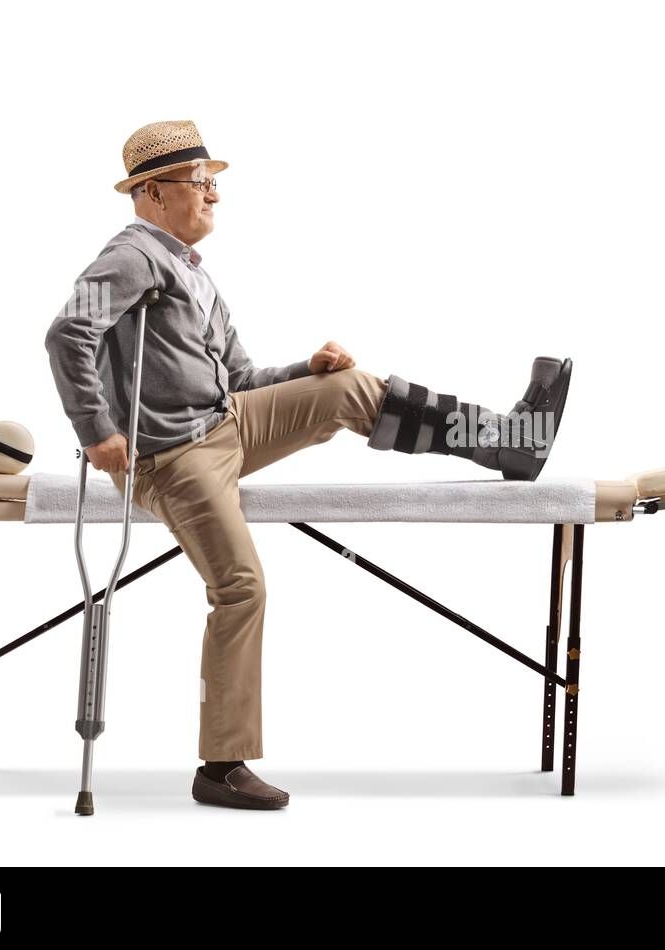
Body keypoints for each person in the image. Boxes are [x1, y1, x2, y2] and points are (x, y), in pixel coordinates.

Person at [44, 120, 572, 810]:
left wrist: (306, 371)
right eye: (201, 183)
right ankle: (220, 765)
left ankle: (507, 441)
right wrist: (97, 431)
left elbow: (239, 376)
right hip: (171, 457)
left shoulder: (194, 274)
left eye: (214, 183)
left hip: (225, 425)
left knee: (346, 387)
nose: (214, 196)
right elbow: (66, 332)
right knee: (241, 588)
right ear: (152, 192)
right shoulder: (131, 255)